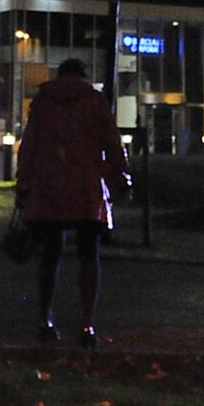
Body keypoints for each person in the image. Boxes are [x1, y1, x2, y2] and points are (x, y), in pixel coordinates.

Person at [15, 57, 131, 347]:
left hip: (49, 187)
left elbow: (30, 146)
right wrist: (121, 179)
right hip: (86, 189)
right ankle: (87, 324)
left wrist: (25, 183)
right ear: (83, 75)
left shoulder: (43, 102)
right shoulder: (95, 101)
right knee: (88, 255)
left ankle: (45, 318)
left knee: (50, 255)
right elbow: (111, 143)